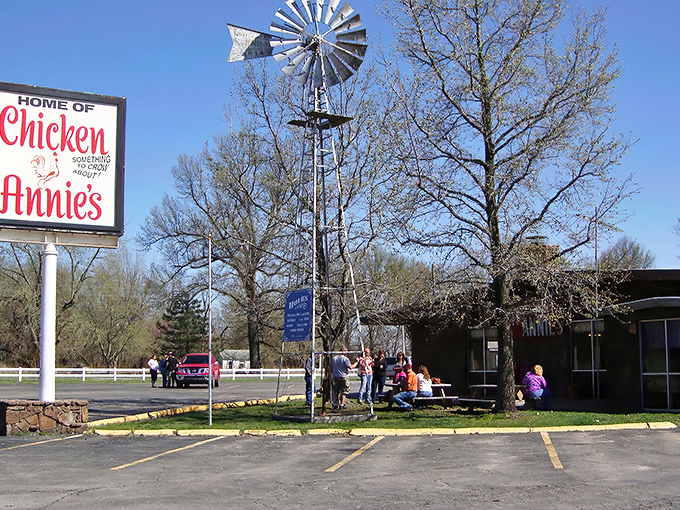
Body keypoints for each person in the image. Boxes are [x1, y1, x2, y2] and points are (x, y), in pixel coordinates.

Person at [331, 346, 357, 410]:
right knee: (344, 391)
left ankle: (335, 404)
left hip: (335, 377)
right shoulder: (345, 359)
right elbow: (350, 367)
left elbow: (331, 367)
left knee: (336, 392)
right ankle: (342, 404)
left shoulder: (333, 359)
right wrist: (357, 362)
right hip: (343, 377)